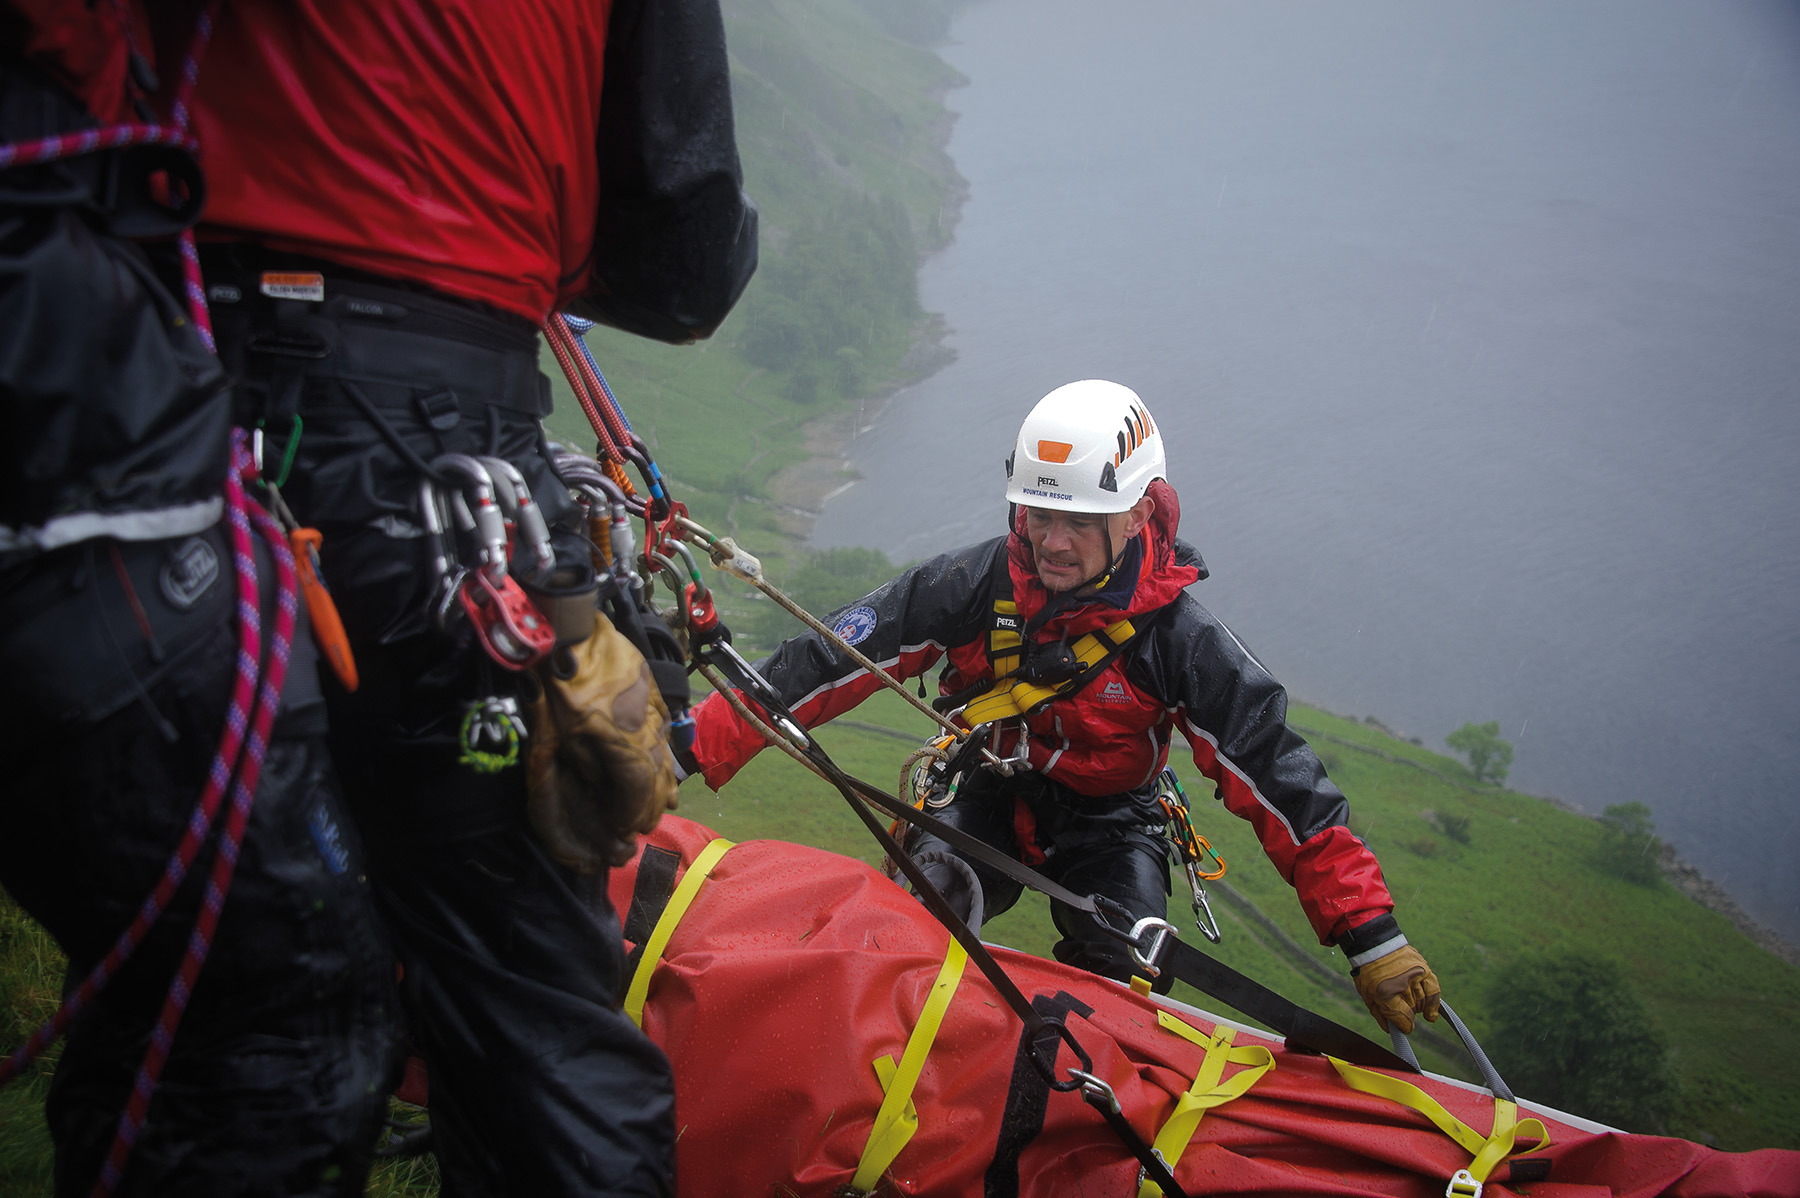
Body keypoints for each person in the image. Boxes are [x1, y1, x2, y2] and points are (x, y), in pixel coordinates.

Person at [3, 1, 756, 1194]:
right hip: (442, 472)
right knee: (527, 1020)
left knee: (212, 1007)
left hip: (143, 423)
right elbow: (684, 259)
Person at [686, 380, 1441, 1036]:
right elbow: (827, 660)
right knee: (909, 923)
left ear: (1141, 513)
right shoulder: (975, 583)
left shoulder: (1176, 639)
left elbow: (1278, 775)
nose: (1051, 542)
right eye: (1038, 516)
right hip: (984, 789)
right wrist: (689, 746)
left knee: (1122, 986)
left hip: (1112, 827)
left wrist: (1370, 936)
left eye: (1079, 521)